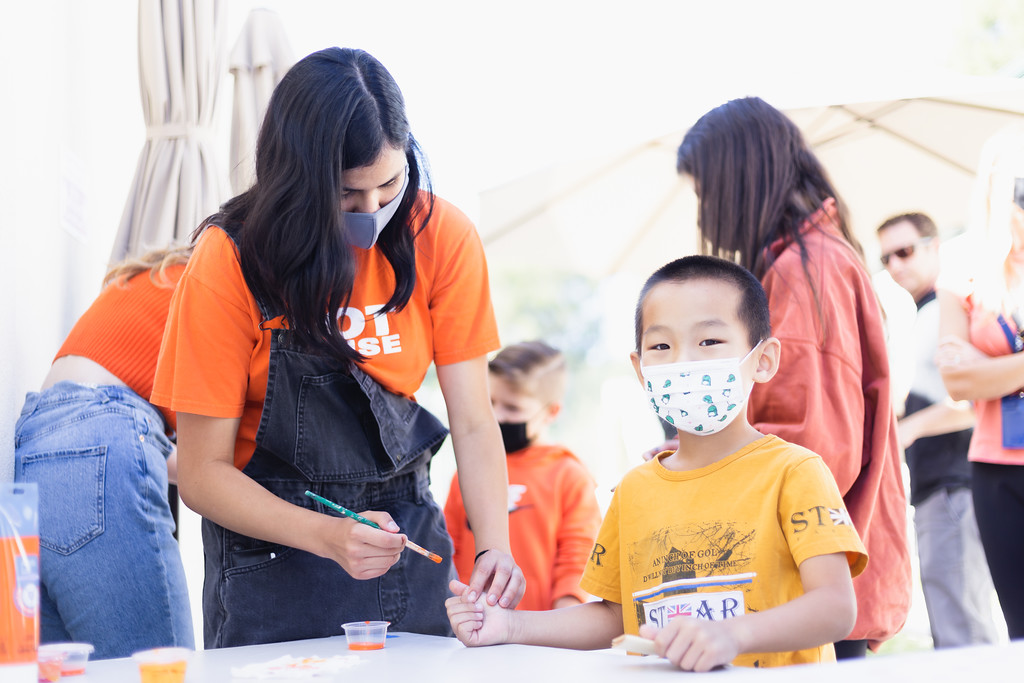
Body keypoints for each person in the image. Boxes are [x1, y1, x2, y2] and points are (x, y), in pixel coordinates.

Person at [151, 47, 523, 649]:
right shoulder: (231, 259)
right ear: (298, 180)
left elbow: (477, 425)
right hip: (271, 567)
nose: (373, 210)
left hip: (408, 548)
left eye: (391, 184)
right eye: (349, 195)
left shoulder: (442, 236)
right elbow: (201, 475)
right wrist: (327, 535)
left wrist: (494, 547)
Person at [446, 255, 867, 671]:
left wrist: (733, 634)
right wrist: (511, 625)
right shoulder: (633, 489)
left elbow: (834, 607)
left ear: (764, 359)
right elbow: (616, 616)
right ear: (640, 368)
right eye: (661, 346)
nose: (683, 360)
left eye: (709, 341)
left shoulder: (795, 472)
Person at [669, 97, 911, 657]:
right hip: (823, 576)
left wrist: (705, 463)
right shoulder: (817, 256)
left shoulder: (805, 268)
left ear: (739, 180)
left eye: (705, 193)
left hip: (811, 585)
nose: (704, 215)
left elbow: (816, 449)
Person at [14, 245, 194, 659]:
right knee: (158, 671)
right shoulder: (212, 287)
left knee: (49, 673)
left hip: (29, 459)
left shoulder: (148, 279)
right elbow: (209, 463)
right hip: (106, 444)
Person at [877, 212, 999, 648]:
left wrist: (904, 432)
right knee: (955, 623)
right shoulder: (922, 316)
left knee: (962, 629)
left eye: (905, 251)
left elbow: (971, 401)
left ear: (935, 248)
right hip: (938, 488)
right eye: (886, 257)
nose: (894, 265)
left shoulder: (949, 309)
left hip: (954, 486)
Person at [937, 125, 1024, 640]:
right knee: (1019, 628)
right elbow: (955, 378)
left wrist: (986, 369)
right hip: (995, 468)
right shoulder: (965, 264)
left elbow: (972, 370)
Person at [444, 341, 602, 611]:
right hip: (473, 628)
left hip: (539, 637)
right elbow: (450, 546)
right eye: (490, 402)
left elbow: (577, 559)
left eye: (513, 408)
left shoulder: (568, 475)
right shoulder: (467, 473)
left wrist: (560, 629)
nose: (497, 416)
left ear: (551, 412)